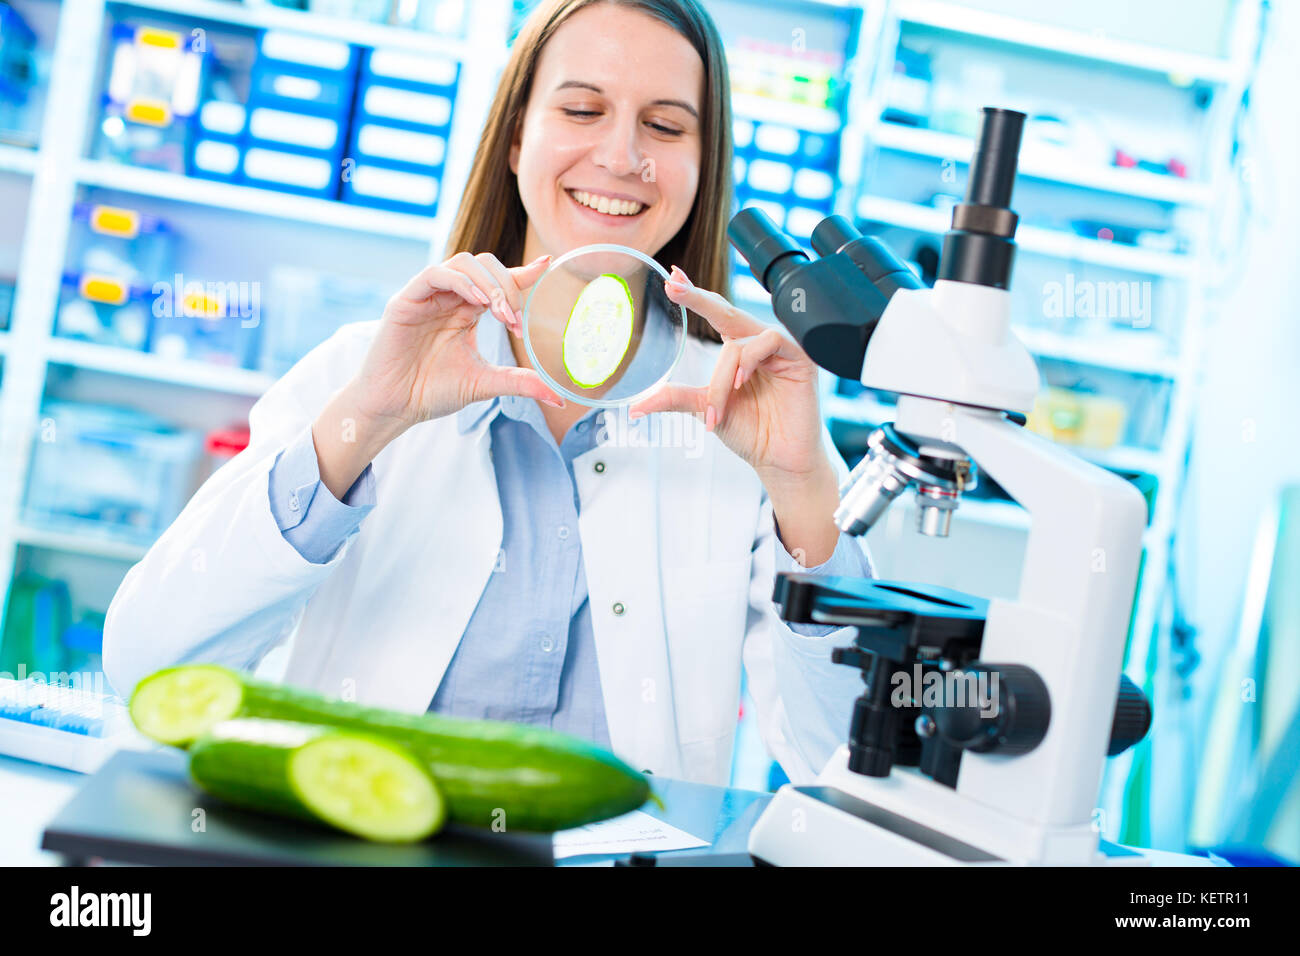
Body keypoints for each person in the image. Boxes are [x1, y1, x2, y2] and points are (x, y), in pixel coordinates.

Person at [103, 0, 874, 786]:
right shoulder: (359, 375)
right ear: (515, 138)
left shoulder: (743, 413)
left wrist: (803, 486)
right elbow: (149, 669)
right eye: (581, 109)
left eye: (667, 127)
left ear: (704, 165)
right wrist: (364, 424)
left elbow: (842, 762)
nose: (622, 154)